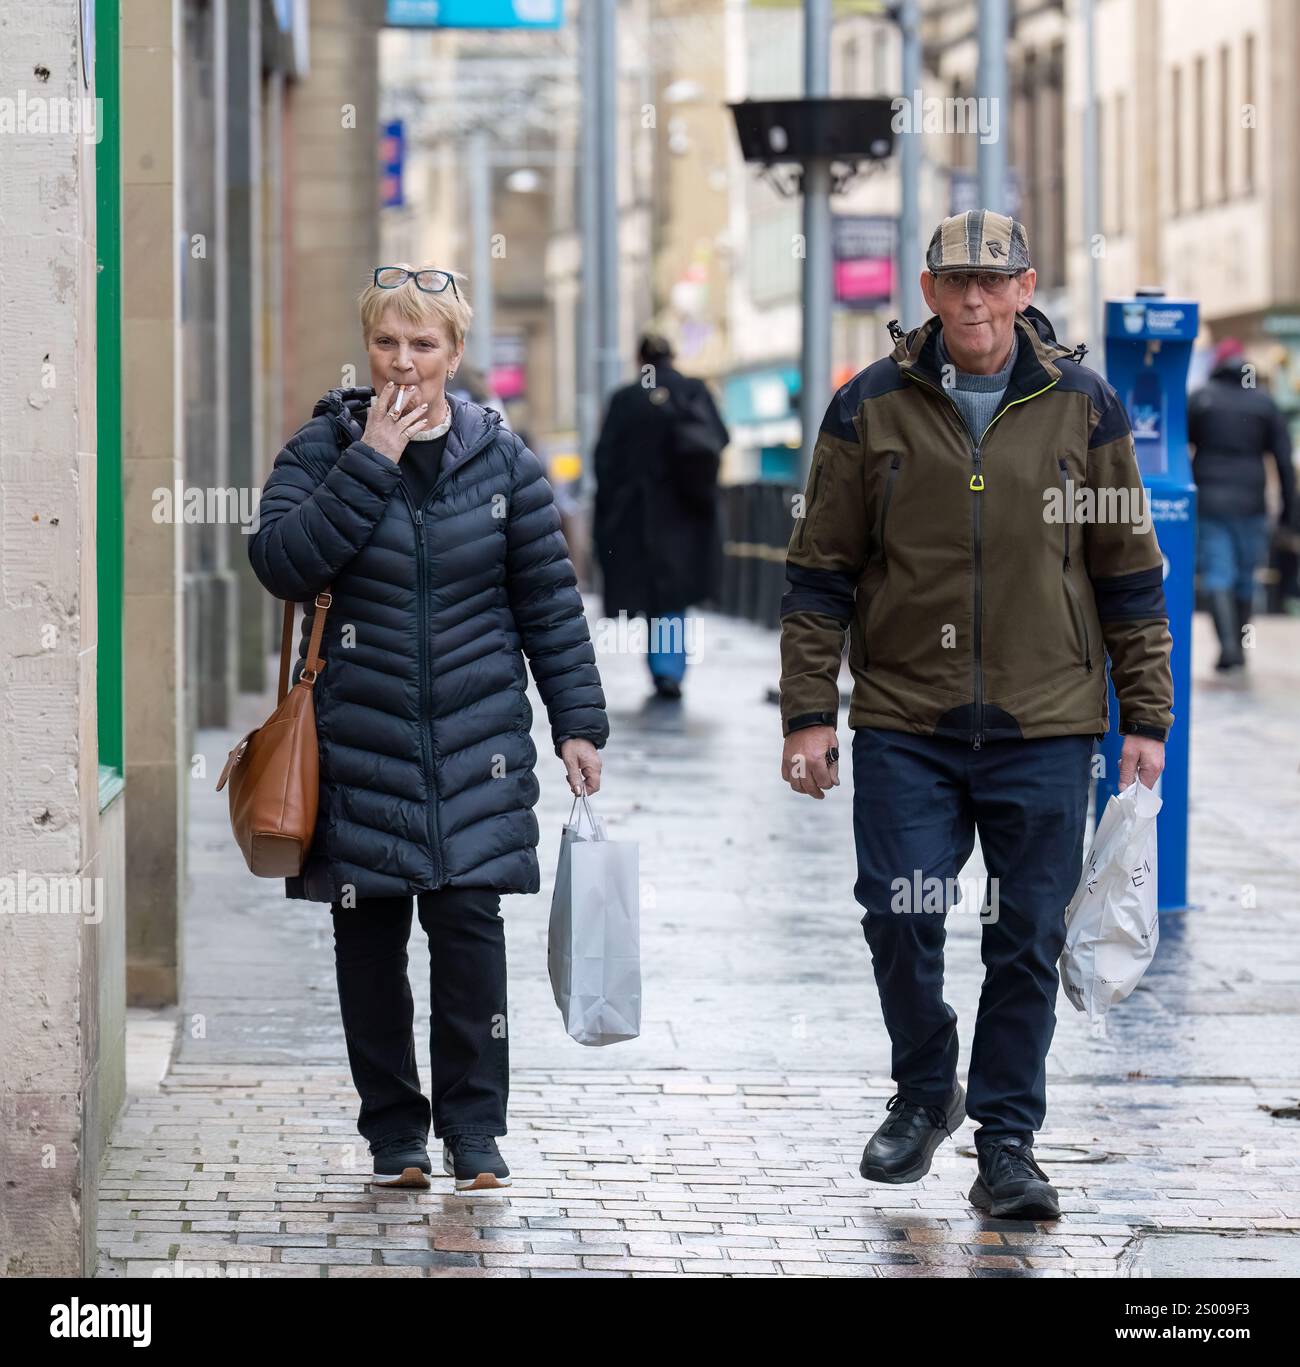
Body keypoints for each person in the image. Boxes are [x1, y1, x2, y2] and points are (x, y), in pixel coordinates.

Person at [778, 210, 1174, 1222]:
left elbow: (1126, 573)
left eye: (991, 284)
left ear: (1024, 285)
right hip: (908, 716)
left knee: (1024, 937)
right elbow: (820, 573)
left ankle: (1007, 1142)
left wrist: (1146, 716)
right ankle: (924, 1088)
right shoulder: (869, 407)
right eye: (954, 282)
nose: (972, 301)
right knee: (900, 910)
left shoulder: (1081, 404)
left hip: (1047, 720)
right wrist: (808, 712)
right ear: (925, 288)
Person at [248, 264, 608, 1192]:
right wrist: (367, 461)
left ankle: (477, 1133)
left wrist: (578, 722)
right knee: (368, 941)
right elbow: (282, 562)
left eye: (423, 344)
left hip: (476, 739)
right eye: (386, 342)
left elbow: (548, 603)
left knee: (468, 929)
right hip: (357, 739)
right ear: (367, 349)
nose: (403, 362)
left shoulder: (503, 459)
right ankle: (395, 1134)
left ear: (454, 353)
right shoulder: (324, 448)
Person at [592, 332, 729, 700]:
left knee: (655, 596)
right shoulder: (694, 392)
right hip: (688, 515)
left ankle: (663, 668)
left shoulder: (625, 400)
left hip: (637, 517)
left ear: (640, 360)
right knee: (672, 598)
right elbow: (719, 439)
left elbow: (605, 463)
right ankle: (668, 668)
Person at [1188, 337, 1297, 670]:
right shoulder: (1263, 403)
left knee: (1218, 573)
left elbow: (1177, 448)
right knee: (1246, 577)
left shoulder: (1201, 399)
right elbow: (1283, 461)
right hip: (1252, 503)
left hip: (1210, 501)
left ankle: (1228, 648)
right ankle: (1240, 647)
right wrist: (1289, 514)